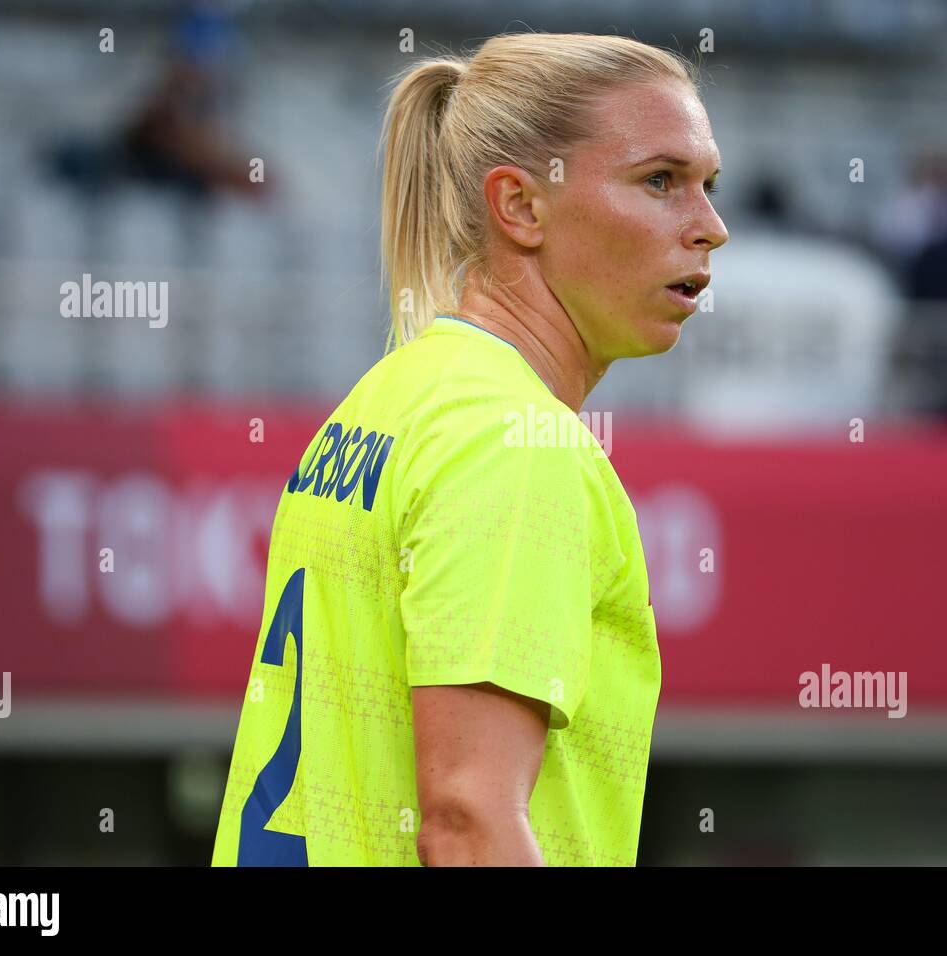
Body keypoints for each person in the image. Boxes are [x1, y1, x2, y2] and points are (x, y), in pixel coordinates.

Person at [211, 31, 727, 867]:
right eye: (660, 181)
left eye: (708, 185)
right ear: (521, 206)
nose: (712, 228)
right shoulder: (515, 445)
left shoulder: (389, 396)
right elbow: (467, 821)